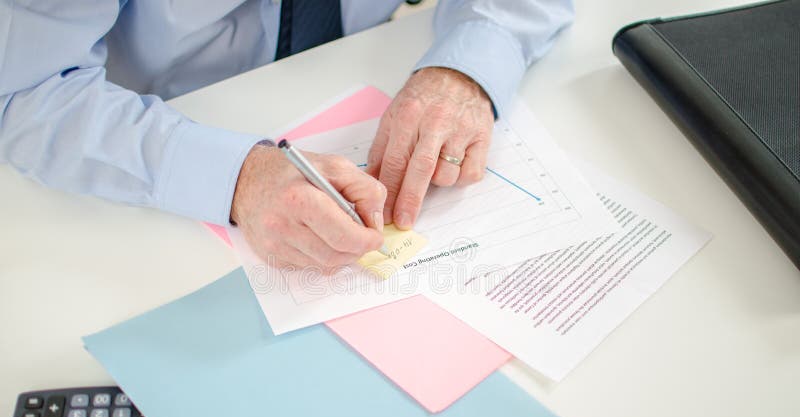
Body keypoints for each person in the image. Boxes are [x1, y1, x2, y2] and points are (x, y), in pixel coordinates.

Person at [0, 0, 574, 269]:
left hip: (353, 68)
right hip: (136, 156)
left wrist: (467, 67)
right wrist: (237, 179)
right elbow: (25, 91)